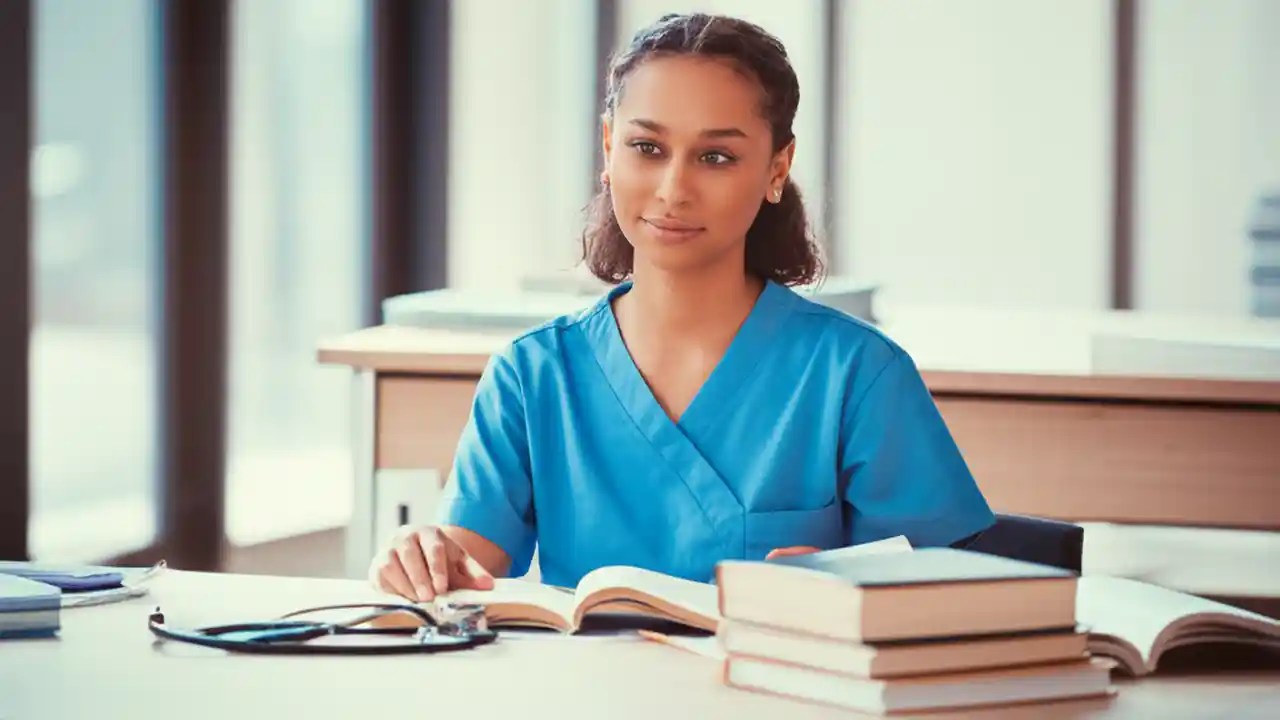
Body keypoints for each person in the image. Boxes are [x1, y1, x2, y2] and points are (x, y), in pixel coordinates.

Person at [370, 13, 994, 602]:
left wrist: (843, 583)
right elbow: (464, 565)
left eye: (716, 157)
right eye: (647, 148)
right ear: (609, 147)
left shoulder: (857, 376)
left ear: (777, 168)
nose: (674, 190)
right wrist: (419, 555)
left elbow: (949, 594)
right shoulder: (531, 377)